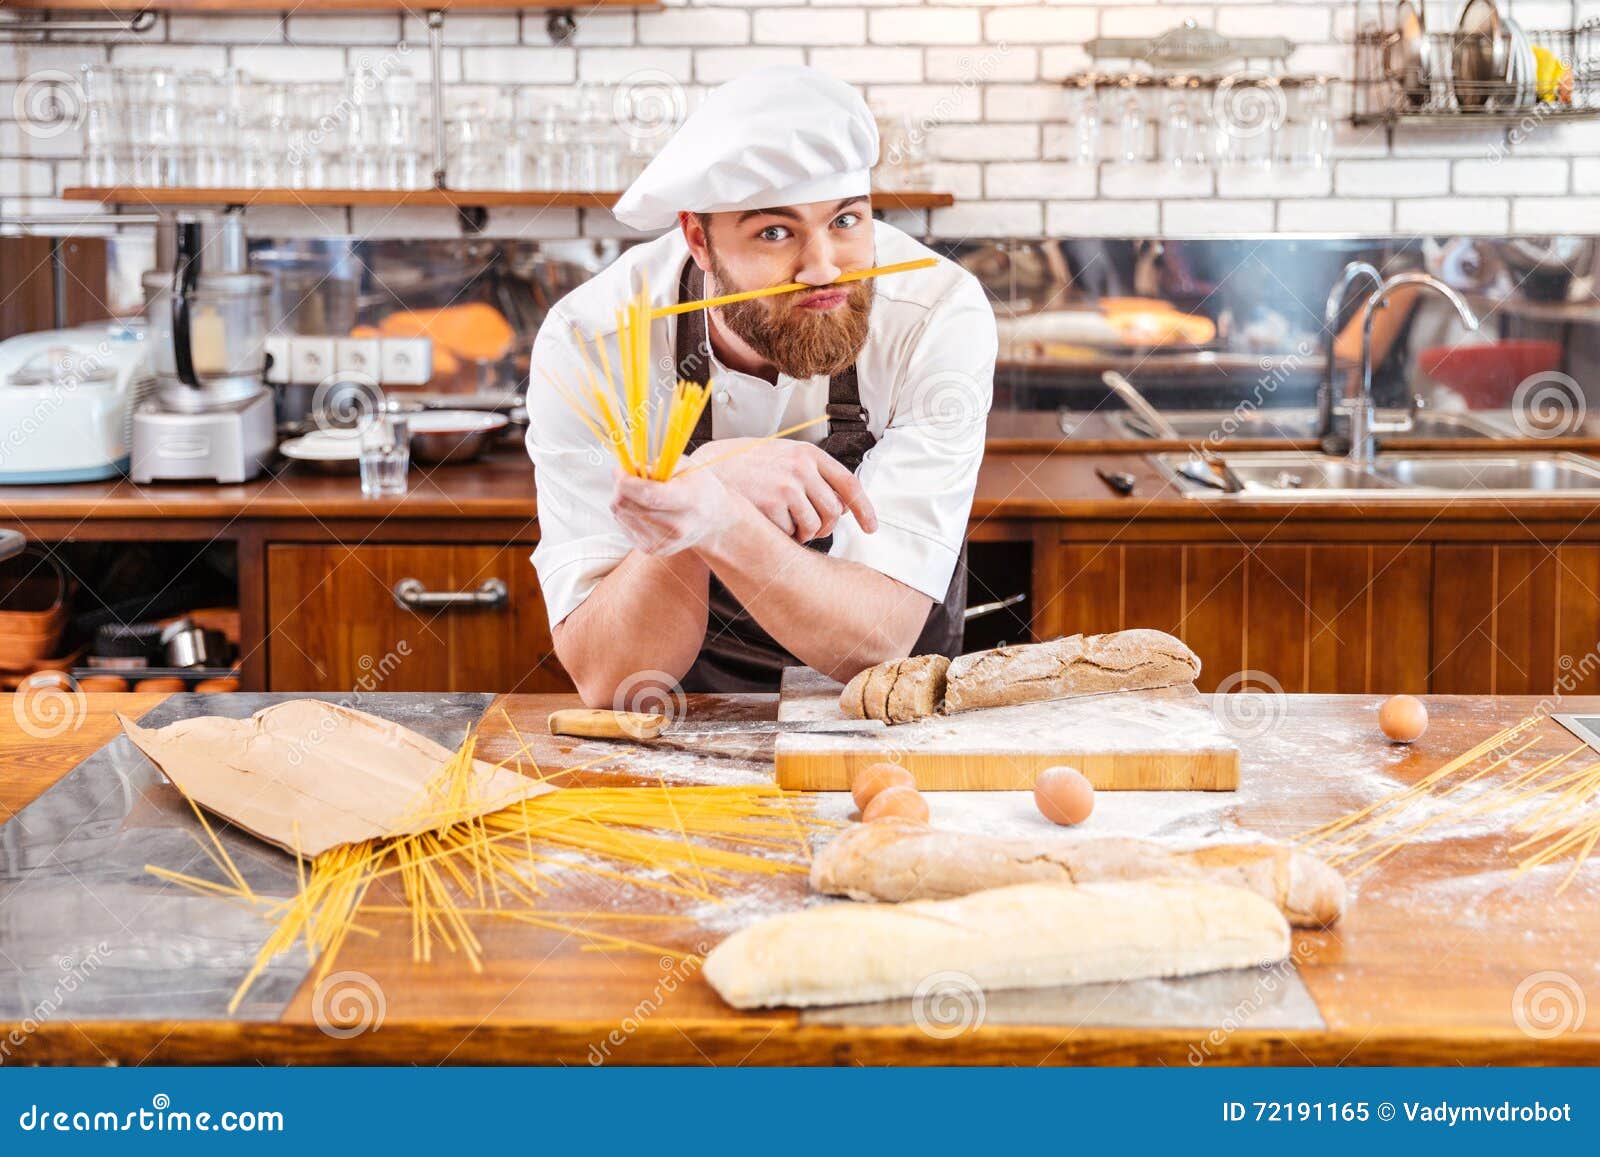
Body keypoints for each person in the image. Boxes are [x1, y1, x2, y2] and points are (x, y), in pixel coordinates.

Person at [526, 66, 996, 705]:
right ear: (699, 239)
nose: (822, 269)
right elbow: (610, 676)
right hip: (685, 726)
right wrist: (699, 492)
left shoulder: (936, 314)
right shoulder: (593, 341)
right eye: (775, 232)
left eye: (846, 221)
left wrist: (716, 508)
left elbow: (876, 640)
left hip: (889, 717)